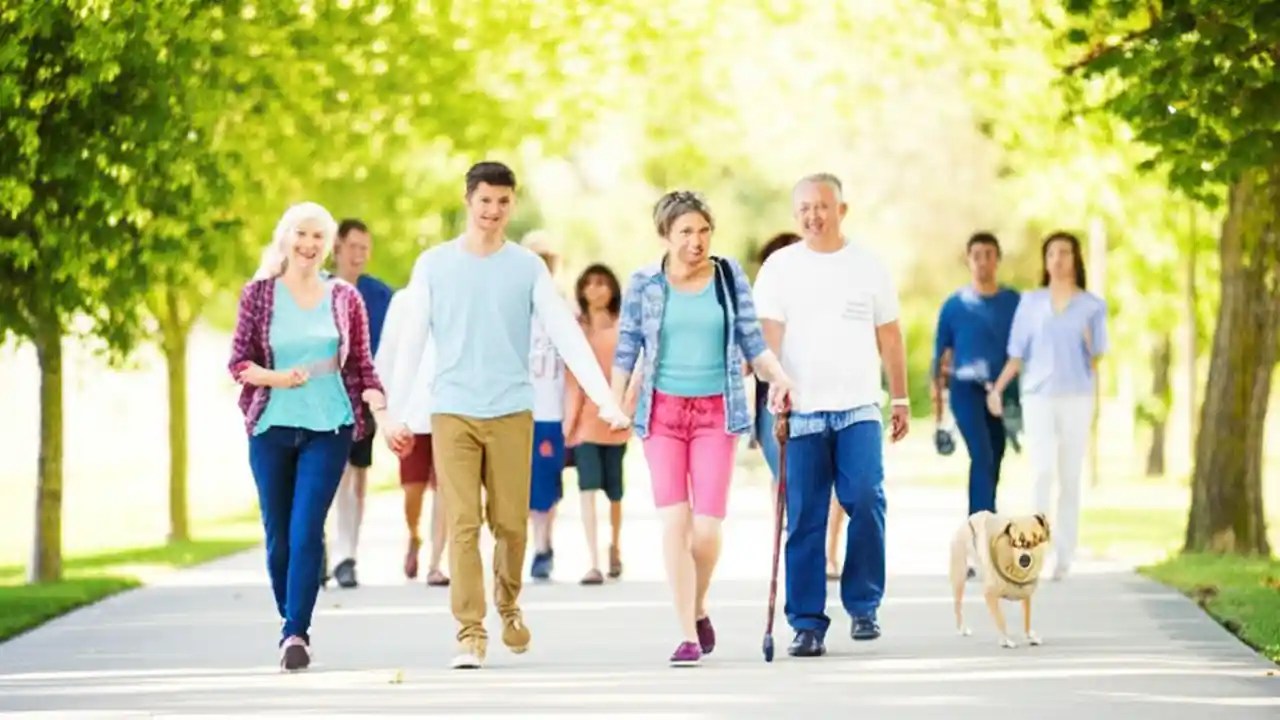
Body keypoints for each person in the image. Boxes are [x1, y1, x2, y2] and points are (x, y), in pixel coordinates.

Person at [384, 162, 629, 670]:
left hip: (513, 409)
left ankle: (509, 604)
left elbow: (565, 332)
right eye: (485, 201)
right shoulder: (434, 264)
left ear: (512, 204)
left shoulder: (526, 267)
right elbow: (412, 342)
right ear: (468, 200)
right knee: (464, 523)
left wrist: (605, 399)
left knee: (511, 524)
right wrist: (396, 412)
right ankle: (470, 632)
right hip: (452, 408)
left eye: (503, 202)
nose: (493, 211)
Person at [612, 190, 793, 667]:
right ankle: (687, 632)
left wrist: (779, 377)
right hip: (663, 415)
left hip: (717, 413)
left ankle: (697, 602)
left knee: (706, 531)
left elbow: (754, 342)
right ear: (666, 236)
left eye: (703, 230)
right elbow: (627, 347)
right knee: (675, 522)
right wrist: (616, 401)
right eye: (686, 232)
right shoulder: (645, 283)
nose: (696, 241)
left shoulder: (728, 277)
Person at [228, 202, 411, 671]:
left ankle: (296, 633)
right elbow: (239, 365)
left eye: (318, 238)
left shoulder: (344, 298)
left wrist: (385, 417)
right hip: (270, 427)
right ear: (286, 238)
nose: (309, 246)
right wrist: (277, 379)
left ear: (327, 246)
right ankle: (288, 615)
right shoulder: (259, 295)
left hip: (329, 426)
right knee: (278, 538)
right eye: (302, 235)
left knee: (308, 528)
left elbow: (364, 369)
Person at [752, 173, 910, 658]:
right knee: (804, 517)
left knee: (865, 497)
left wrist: (900, 399)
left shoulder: (868, 266)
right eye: (804, 208)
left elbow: (889, 336)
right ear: (795, 213)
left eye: (822, 206)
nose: (813, 215)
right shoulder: (780, 267)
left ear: (842, 209)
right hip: (801, 412)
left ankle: (863, 604)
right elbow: (768, 334)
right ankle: (806, 623)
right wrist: (776, 382)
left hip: (859, 406)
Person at [988, 231, 1108, 582]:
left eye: (1065, 253)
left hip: (1077, 396)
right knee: (1042, 471)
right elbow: (1016, 354)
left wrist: (1089, 344)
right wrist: (997, 389)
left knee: (1070, 476)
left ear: (1075, 259)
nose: (1058, 259)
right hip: (1038, 395)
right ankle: (1037, 548)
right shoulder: (1031, 302)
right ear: (1045, 260)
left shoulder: (1092, 306)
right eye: (1052, 253)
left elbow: (1097, 356)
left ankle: (1065, 554)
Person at [931, 233, 1021, 519]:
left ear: (998, 259)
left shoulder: (1013, 302)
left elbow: (1024, 347)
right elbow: (940, 358)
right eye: (977, 255)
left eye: (989, 255)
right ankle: (980, 531)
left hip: (1003, 391)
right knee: (981, 455)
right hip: (965, 389)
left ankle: (985, 521)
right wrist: (938, 413)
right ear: (968, 260)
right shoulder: (954, 305)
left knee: (996, 456)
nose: (983, 261)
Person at [328, 219, 394, 589]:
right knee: (325, 476)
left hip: (361, 398)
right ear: (337, 247)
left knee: (355, 477)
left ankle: (347, 555)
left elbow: (391, 345)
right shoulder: (317, 289)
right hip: (320, 398)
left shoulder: (379, 295)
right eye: (353, 247)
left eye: (365, 249)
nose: (359, 255)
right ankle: (320, 548)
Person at [375, 289, 450, 587]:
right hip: (411, 413)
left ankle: (436, 563)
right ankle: (415, 535)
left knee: (445, 489)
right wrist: (387, 413)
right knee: (413, 491)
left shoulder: (458, 297)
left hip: (449, 410)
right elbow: (388, 354)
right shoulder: (403, 301)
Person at [564, 262, 633, 584]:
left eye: (602, 283)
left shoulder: (624, 327)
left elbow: (634, 372)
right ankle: (592, 560)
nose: (596, 289)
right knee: (587, 488)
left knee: (614, 491)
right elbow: (571, 381)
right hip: (586, 423)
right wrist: (569, 423)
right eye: (589, 283)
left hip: (617, 420)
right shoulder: (575, 328)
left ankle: (615, 546)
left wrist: (628, 410)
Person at [521, 230, 571, 581]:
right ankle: (522, 545)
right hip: (516, 408)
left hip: (552, 410)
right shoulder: (512, 304)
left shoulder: (565, 305)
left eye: (548, 258)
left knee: (547, 482)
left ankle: (544, 546)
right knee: (517, 483)